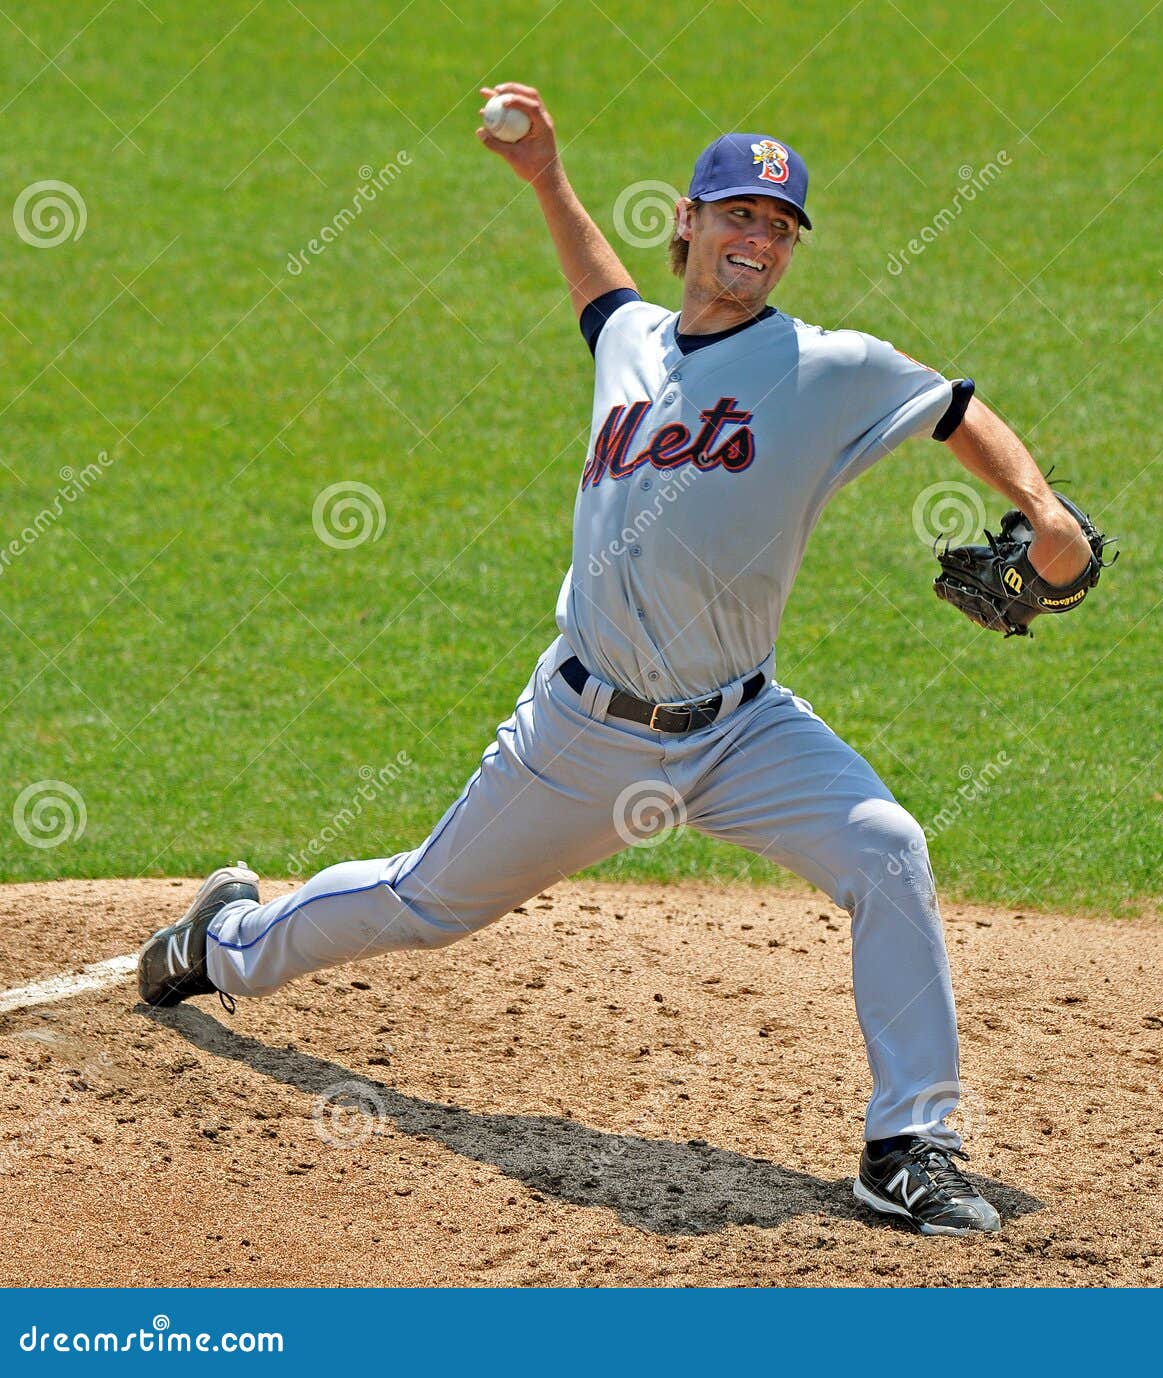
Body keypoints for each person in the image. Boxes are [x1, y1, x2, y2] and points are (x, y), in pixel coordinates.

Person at [138, 83, 1093, 1238]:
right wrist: (544, 176)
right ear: (687, 221)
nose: (759, 241)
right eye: (739, 215)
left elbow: (954, 407)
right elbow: (598, 288)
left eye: (781, 228)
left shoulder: (828, 366)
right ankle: (224, 944)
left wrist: (1044, 513)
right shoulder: (632, 338)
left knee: (887, 846)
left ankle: (910, 1143)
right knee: (423, 902)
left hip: (744, 731)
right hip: (582, 735)